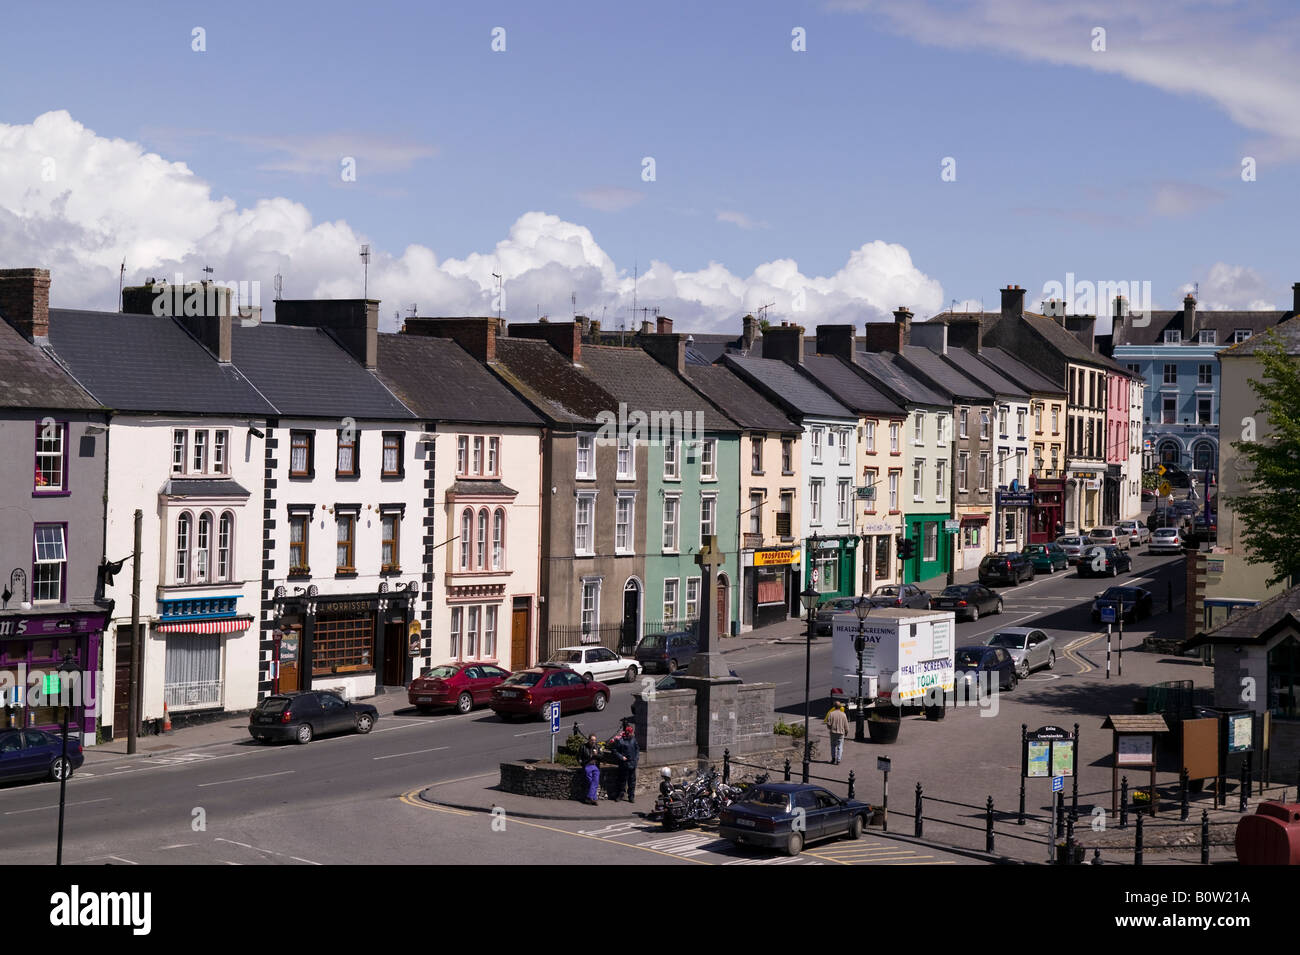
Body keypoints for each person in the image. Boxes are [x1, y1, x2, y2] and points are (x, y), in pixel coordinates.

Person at [611, 724, 640, 802]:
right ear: (628, 733)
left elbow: (637, 749)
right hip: (624, 764)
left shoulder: (633, 740)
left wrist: (636, 759)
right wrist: (621, 757)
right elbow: (614, 750)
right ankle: (621, 795)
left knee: (632, 781)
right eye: (631, 732)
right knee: (622, 781)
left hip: (632, 763)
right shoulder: (620, 740)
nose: (632, 734)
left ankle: (631, 796)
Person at [579, 734, 602, 805]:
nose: (593, 742)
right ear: (589, 740)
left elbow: (602, 757)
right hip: (587, 765)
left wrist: (596, 755)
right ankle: (593, 798)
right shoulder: (583, 746)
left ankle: (589, 798)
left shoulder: (598, 747)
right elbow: (579, 756)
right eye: (592, 740)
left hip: (595, 766)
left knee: (596, 780)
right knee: (590, 781)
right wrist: (581, 763)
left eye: (594, 740)